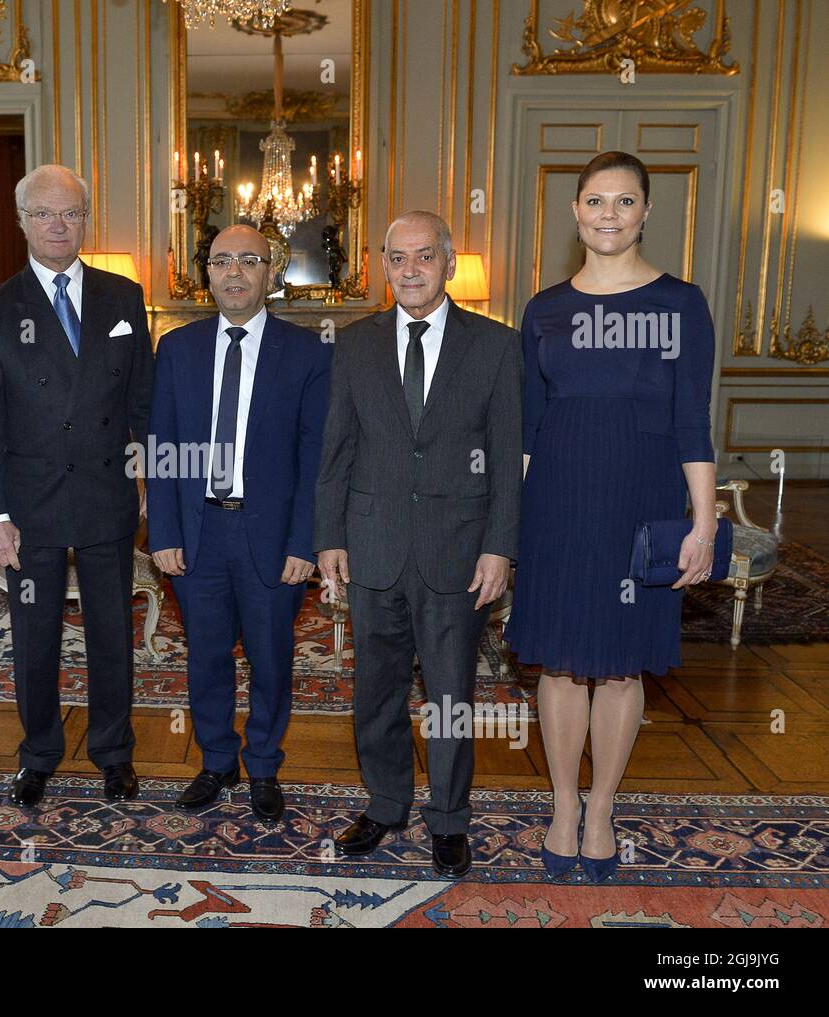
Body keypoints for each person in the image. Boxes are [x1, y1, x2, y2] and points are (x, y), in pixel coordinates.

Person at [504, 152, 717, 882]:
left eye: (625, 202)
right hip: (559, 504)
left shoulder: (681, 302)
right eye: (596, 201)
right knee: (561, 661)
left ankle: (602, 806)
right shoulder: (543, 309)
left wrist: (703, 521)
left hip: (642, 503)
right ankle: (563, 803)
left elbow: (693, 420)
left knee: (622, 667)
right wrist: (510, 528)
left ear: (647, 211)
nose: (609, 215)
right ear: (575, 210)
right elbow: (528, 432)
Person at [315, 211, 523, 877]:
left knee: (451, 693)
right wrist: (328, 540)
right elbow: (336, 451)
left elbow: (506, 456)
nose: (410, 269)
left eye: (424, 256)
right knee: (374, 688)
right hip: (372, 545)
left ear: (449, 262)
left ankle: (450, 818)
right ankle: (385, 802)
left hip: (458, 553)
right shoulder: (354, 344)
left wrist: (500, 547)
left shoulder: (495, 346)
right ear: (384, 266)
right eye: (397, 257)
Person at [0, 164, 153, 807]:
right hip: (29, 507)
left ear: (86, 219)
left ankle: (113, 752)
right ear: (21, 223)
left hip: (106, 500)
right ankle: (39, 752)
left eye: (69, 213)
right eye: (43, 213)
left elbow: (143, 404)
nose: (57, 225)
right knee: (35, 639)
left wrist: (150, 479)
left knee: (111, 637)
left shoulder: (123, 298)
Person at [147, 225, 331, 822]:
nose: (233, 272)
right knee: (205, 655)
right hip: (198, 533)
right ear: (207, 275)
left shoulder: (306, 353)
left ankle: (264, 765)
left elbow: (316, 459)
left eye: (248, 261)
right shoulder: (177, 348)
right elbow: (162, 445)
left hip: (272, 538)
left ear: (271, 273)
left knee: (271, 658)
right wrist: (166, 532)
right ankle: (216, 760)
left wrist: (305, 541)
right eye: (221, 260)